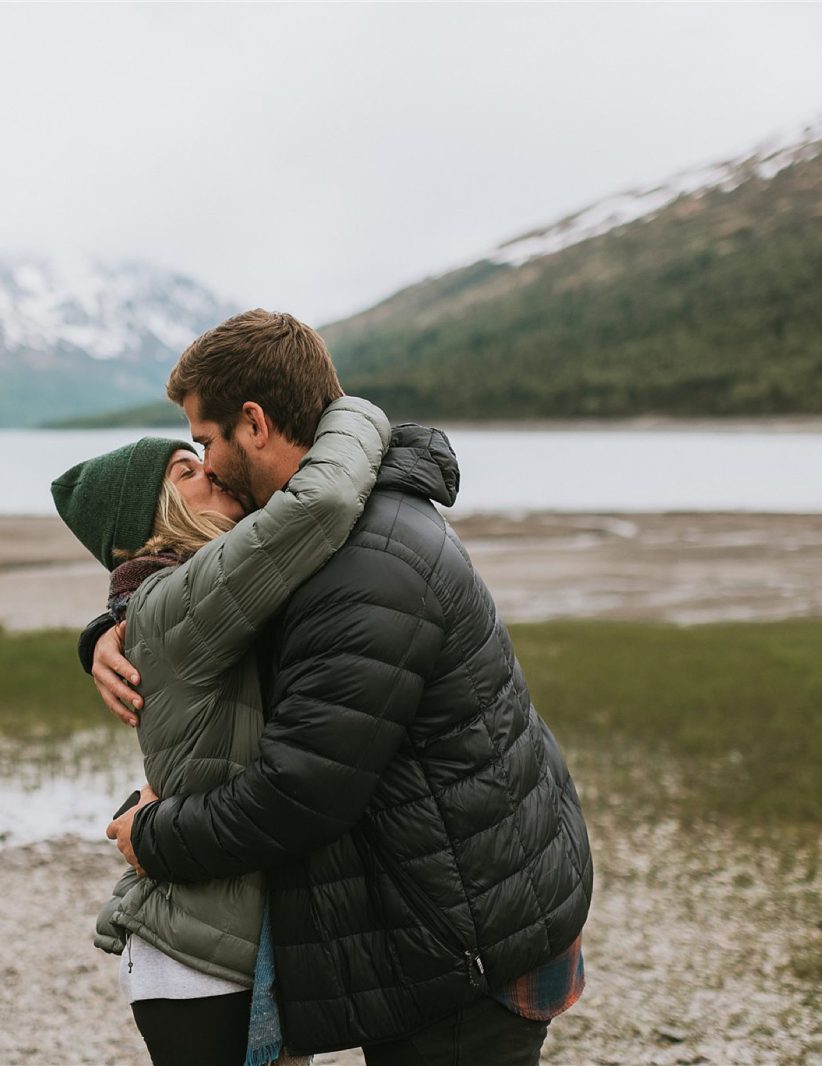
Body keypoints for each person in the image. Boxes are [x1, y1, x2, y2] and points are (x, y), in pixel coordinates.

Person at [87, 309, 594, 1065]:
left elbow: (299, 791)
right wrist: (106, 629)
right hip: (441, 914)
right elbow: (198, 607)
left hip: (467, 949)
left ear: (253, 424)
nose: (210, 465)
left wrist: (148, 836)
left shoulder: (362, 568)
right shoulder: (335, 535)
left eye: (206, 442)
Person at [51, 397, 392, 1066]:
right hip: (200, 959)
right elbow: (321, 502)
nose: (213, 468)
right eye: (187, 473)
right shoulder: (186, 599)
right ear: (152, 528)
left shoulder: (190, 593)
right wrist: (350, 410)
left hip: (236, 936)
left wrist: (96, 635)